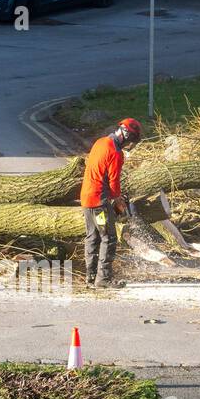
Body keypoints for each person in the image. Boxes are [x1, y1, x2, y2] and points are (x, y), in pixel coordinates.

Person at [79, 118, 142, 288]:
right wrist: (118, 199)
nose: (130, 145)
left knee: (92, 237)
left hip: (86, 197)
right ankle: (104, 279)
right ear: (126, 135)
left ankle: (90, 277)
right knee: (108, 237)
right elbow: (114, 182)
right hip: (99, 202)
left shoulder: (100, 142)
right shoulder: (115, 152)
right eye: (130, 141)